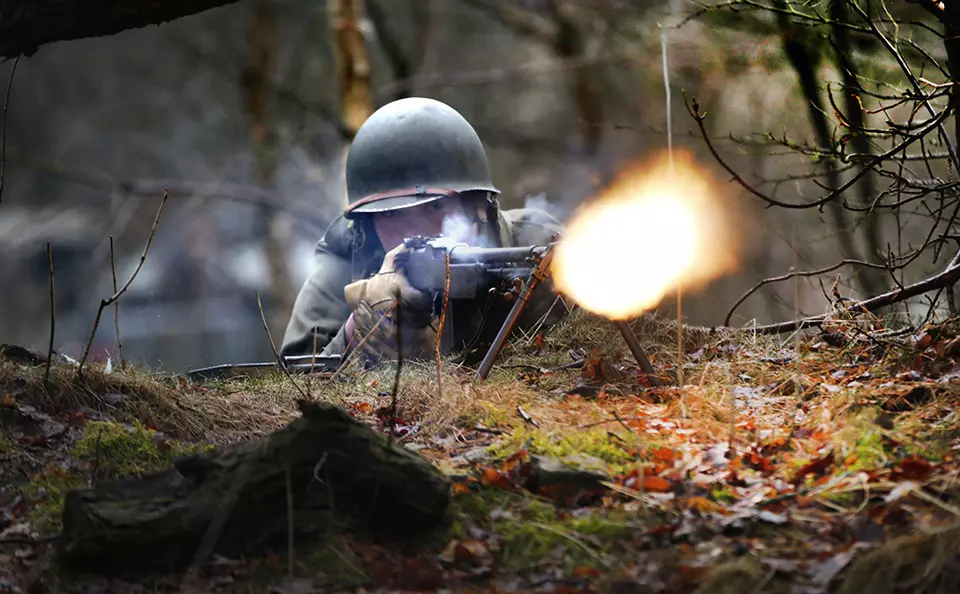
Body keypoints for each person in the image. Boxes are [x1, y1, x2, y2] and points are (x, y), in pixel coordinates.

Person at [280, 97, 565, 364]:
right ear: (366, 223)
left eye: (433, 208)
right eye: (390, 214)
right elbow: (290, 383)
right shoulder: (346, 254)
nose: (410, 232)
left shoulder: (532, 248)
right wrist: (358, 330)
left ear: (477, 206)